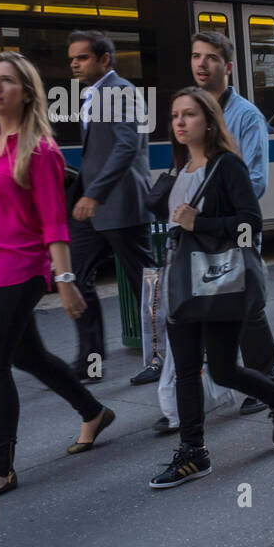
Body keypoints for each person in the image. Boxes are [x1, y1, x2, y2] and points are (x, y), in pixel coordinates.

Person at [0, 52, 115, 504]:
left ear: (26, 93)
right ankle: (94, 411)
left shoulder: (40, 150)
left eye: (7, 81)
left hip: (19, 270)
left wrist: (64, 278)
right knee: (30, 356)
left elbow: (53, 222)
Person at [150, 88, 274, 489]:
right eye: (175, 115)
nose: (180, 122)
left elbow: (250, 225)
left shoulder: (227, 167)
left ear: (210, 121)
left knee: (222, 368)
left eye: (189, 115)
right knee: (185, 367)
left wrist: (197, 223)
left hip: (219, 281)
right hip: (182, 281)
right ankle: (193, 453)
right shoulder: (178, 168)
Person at [185, 31, 274, 419]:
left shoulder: (246, 116)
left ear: (227, 67)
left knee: (246, 304)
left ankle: (267, 379)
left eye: (210, 58)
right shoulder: (193, 110)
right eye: (195, 56)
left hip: (234, 226)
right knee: (213, 300)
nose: (201, 64)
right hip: (202, 227)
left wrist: (211, 207)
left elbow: (256, 179)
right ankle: (211, 384)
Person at [66, 30, 156, 386]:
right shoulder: (92, 94)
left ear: (104, 59)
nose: (74, 63)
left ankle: (163, 357)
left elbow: (126, 146)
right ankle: (90, 361)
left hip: (120, 205)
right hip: (93, 206)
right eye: (71, 58)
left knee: (145, 287)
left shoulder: (122, 91)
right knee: (74, 275)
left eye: (82, 57)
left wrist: (96, 193)